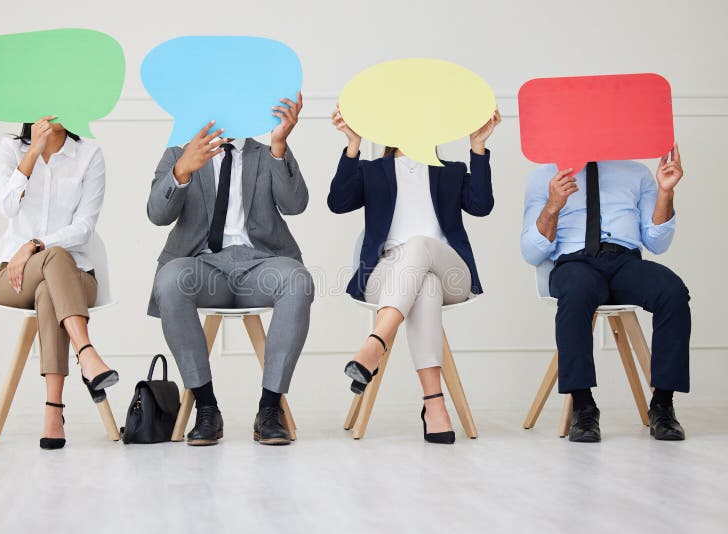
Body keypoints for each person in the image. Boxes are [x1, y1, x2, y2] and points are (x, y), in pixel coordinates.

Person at [147, 93, 313, 447]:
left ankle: (269, 410)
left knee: (297, 280)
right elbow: (156, 215)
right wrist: (182, 171)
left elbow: (295, 205)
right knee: (171, 279)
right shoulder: (180, 150)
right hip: (205, 267)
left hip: (260, 265)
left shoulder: (264, 151)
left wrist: (279, 144)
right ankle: (207, 409)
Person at [328, 105, 500, 443]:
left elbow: (481, 205)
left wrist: (478, 146)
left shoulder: (450, 171)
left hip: (450, 270)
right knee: (426, 286)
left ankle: (376, 342)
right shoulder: (373, 170)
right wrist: (352, 145)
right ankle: (434, 405)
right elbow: (338, 202)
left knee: (421, 248)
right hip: (387, 276)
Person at [521, 145, 689, 442]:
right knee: (576, 290)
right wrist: (553, 206)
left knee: (672, 291)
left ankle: (662, 405)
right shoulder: (544, 175)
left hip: (625, 261)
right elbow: (533, 253)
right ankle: (583, 407)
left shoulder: (637, 173)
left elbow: (657, 243)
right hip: (575, 262)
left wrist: (666, 192)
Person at [0, 116, 118, 450]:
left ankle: (53, 412)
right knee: (54, 262)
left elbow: (85, 228)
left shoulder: (89, 154)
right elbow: (5, 206)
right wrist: (32, 153)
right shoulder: (11, 149)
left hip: (75, 278)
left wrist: (35, 244)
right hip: (15, 277)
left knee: (55, 269)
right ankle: (87, 354)